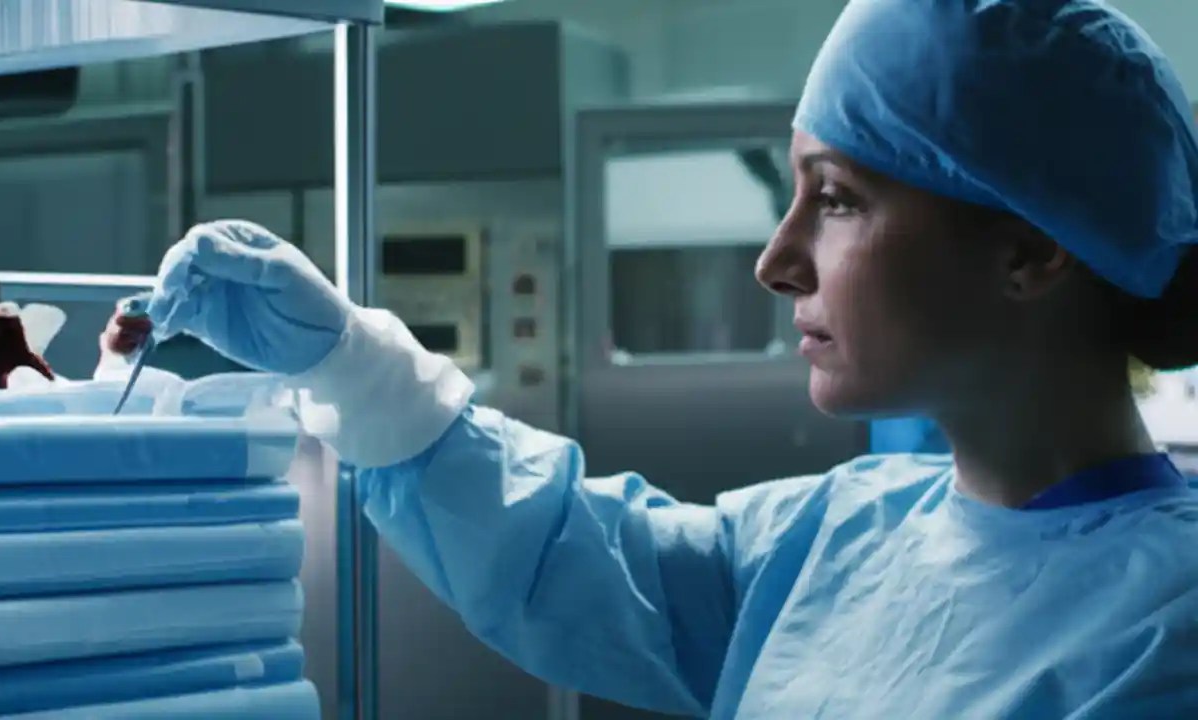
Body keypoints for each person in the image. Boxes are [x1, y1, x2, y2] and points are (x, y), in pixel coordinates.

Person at [105, 0, 1198, 716]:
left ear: (1032, 248)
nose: (774, 261)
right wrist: (353, 364)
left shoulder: (1159, 638)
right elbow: (574, 552)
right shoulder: (836, 536)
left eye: (836, 201)